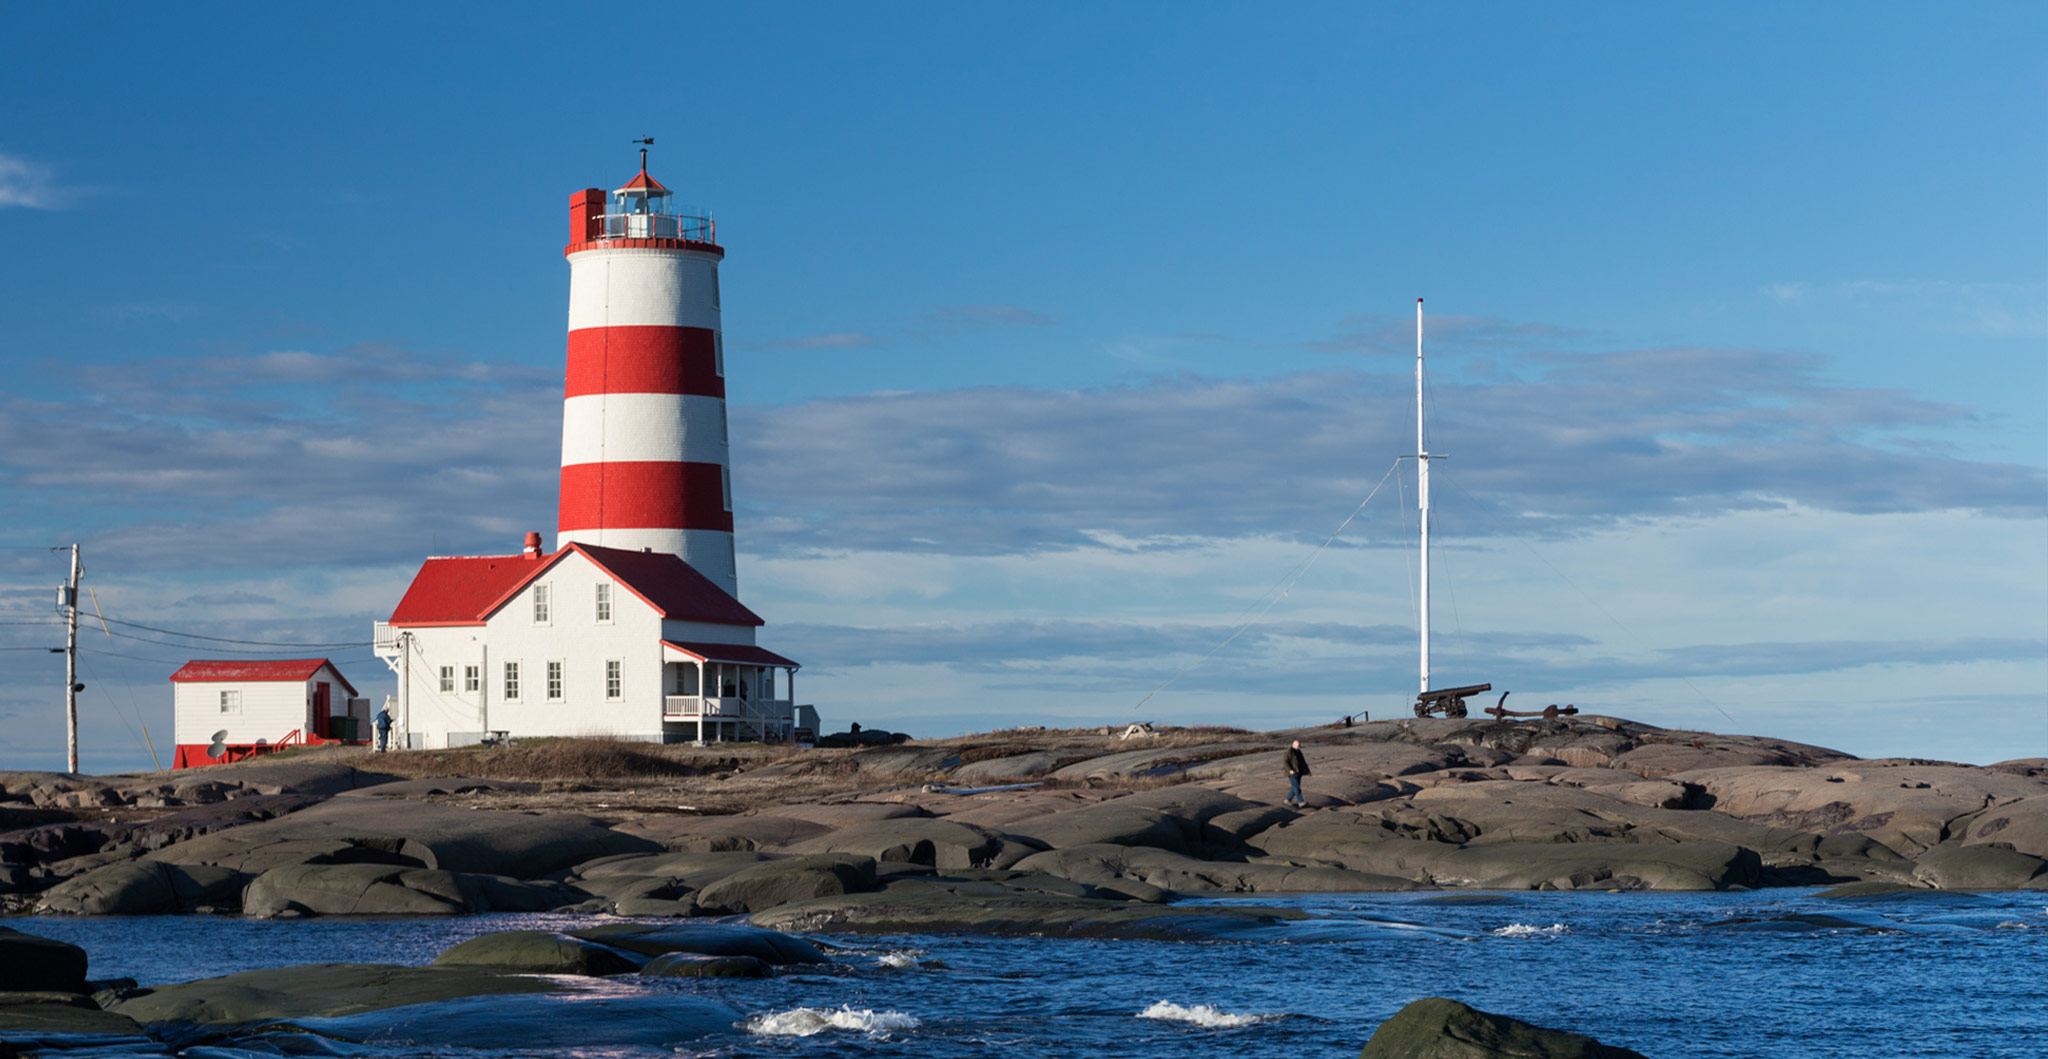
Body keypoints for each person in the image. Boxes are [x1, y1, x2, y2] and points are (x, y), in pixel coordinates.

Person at [1283, 739, 1310, 806]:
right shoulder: (1289, 752)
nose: (1299, 747)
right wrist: (1290, 770)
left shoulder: (1299, 752)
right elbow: (1285, 761)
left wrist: (1306, 770)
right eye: (1298, 745)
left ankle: (1287, 800)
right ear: (1293, 745)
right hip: (1292, 773)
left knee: (1295, 787)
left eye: (1300, 745)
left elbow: (1302, 762)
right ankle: (1301, 802)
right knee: (1296, 787)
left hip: (1299, 772)